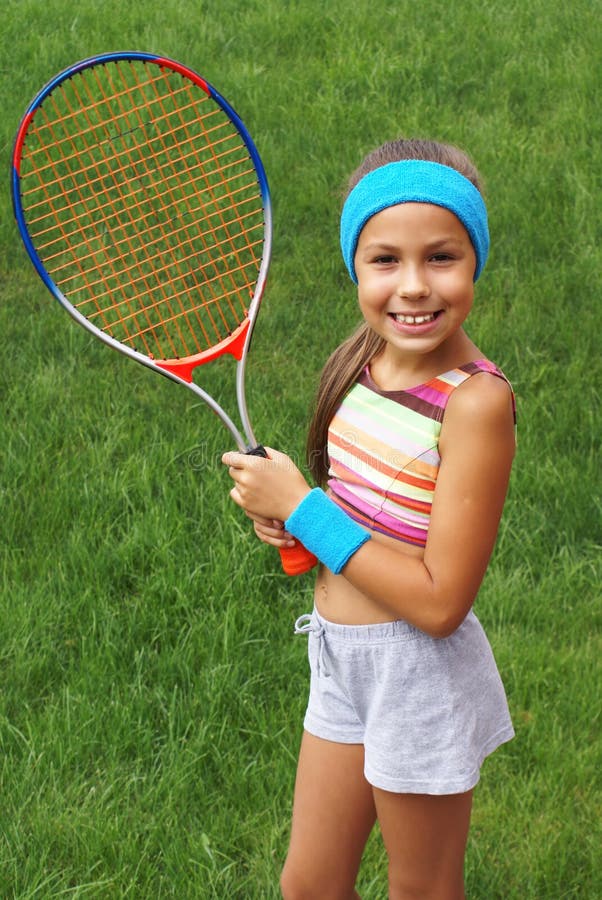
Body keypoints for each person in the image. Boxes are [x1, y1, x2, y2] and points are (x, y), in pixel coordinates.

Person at [222, 137, 516, 900]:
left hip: (417, 674)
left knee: (421, 889)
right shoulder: (362, 363)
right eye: (385, 260)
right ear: (355, 266)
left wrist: (304, 509)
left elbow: (440, 603)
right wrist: (293, 521)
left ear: (476, 259)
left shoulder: (475, 404)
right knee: (310, 884)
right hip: (340, 659)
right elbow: (361, 510)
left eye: (441, 257)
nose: (413, 285)